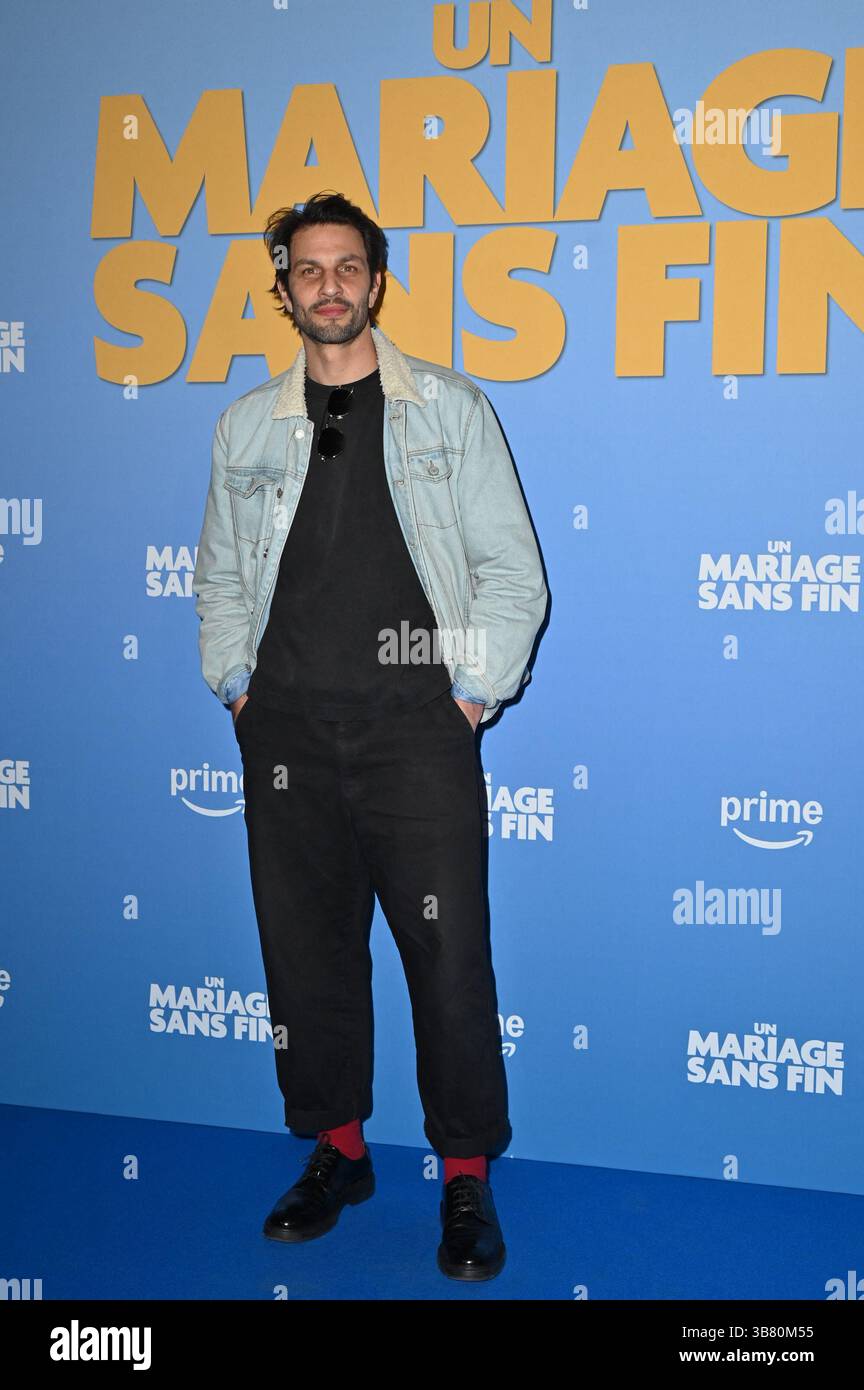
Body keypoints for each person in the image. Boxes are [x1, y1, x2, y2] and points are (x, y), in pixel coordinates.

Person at [192, 191, 546, 1281]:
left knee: (448, 964)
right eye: (309, 269)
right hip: (287, 730)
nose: (330, 285)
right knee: (306, 961)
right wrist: (238, 691)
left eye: (349, 267)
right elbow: (217, 577)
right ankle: (336, 1151)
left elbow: (511, 577)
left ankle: (467, 1177)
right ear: (286, 288)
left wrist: (467, 696)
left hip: (415, 733)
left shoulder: (449, 409)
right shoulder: (248, 425)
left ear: (377, 283)